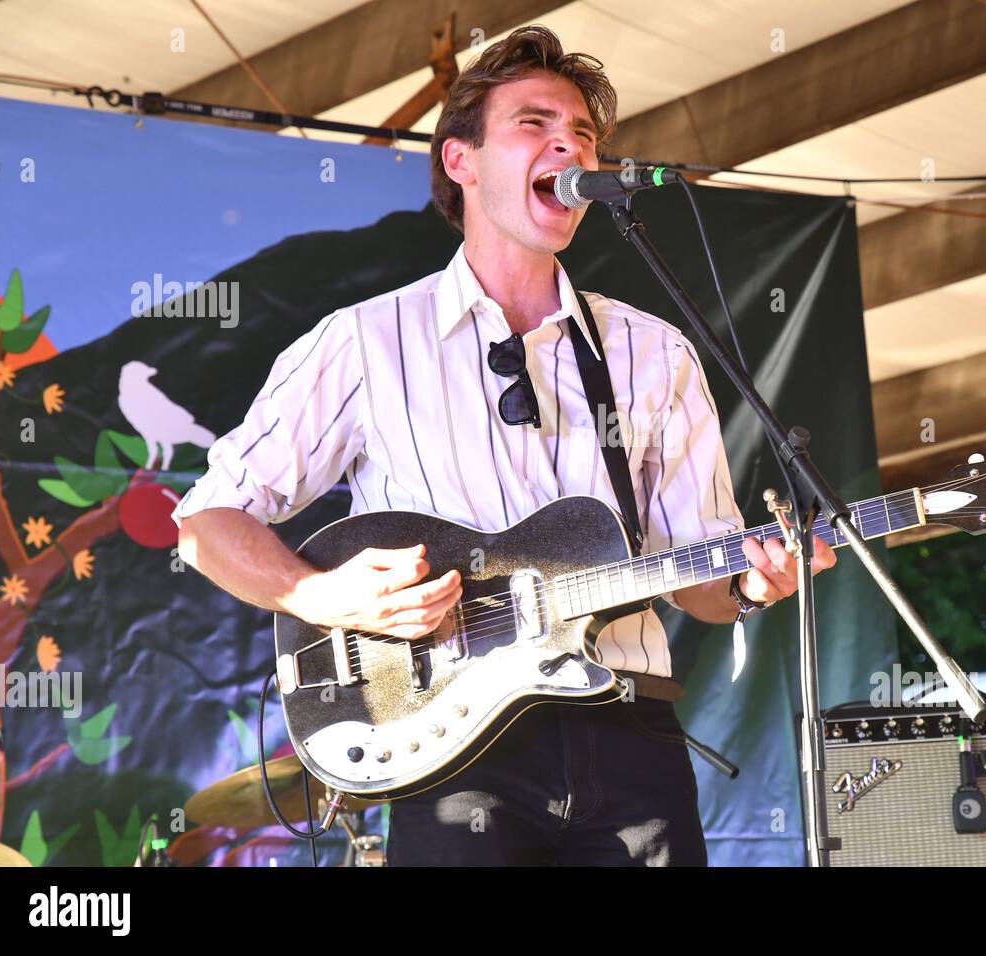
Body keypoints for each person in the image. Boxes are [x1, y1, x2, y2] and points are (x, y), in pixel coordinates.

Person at [172, 25, 834, 867]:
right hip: (452, 747)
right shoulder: (366, 342)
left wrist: (751, 583)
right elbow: (204, 523)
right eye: (535, 124)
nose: (570, 144)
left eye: (584, 134)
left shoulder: (652, 349)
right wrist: (319, 596)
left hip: (630, 731)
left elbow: (699, 577)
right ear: (461, 161)